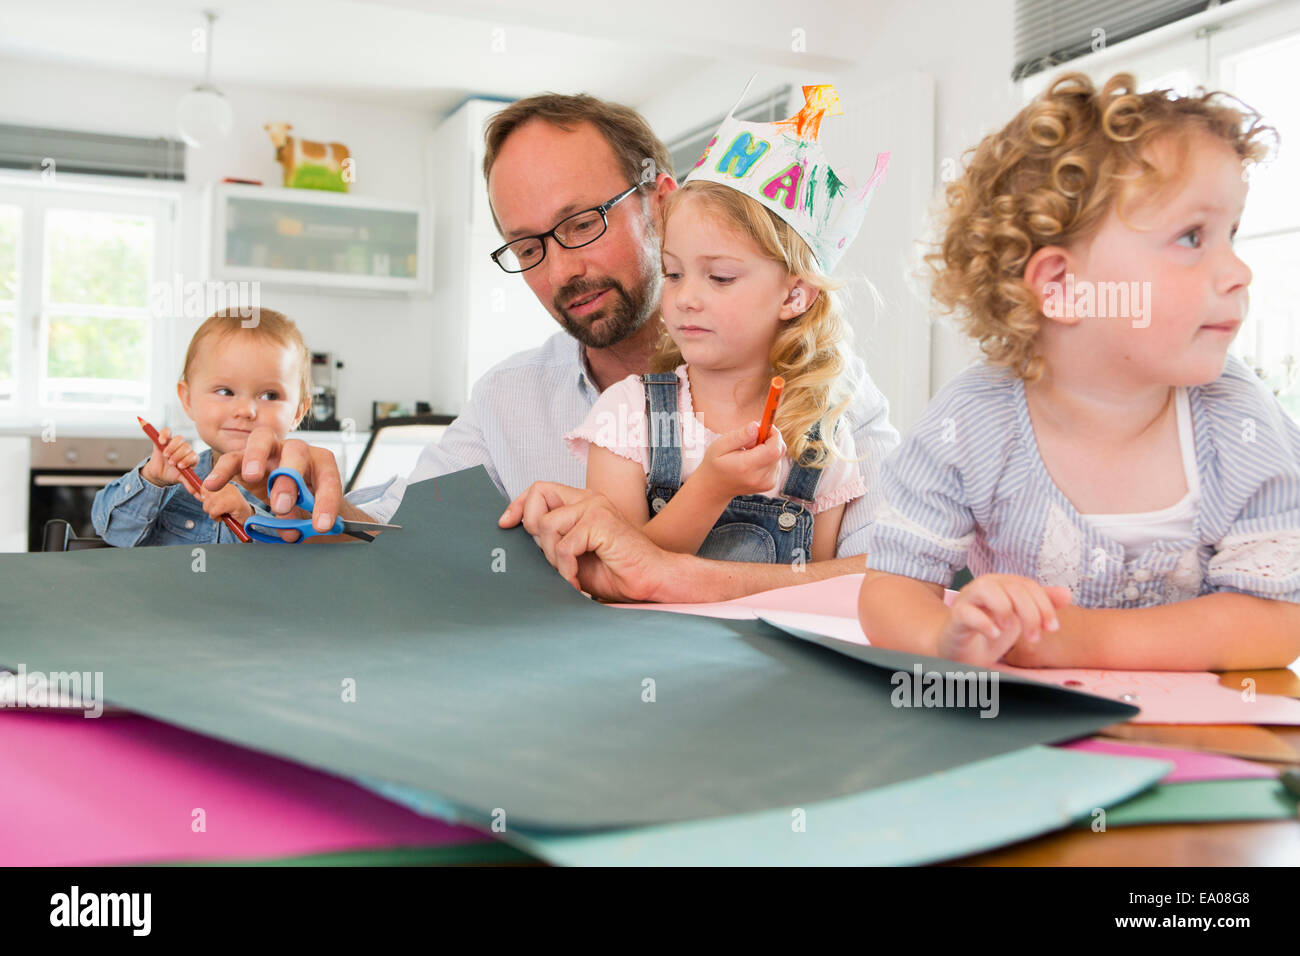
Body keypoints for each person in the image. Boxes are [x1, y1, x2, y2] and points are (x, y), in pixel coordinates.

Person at [203, 92, 900, 600]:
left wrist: (682, 576)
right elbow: (398, 530)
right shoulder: (510, 398)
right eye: (529, 246)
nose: (563, 270)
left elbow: (902, 575)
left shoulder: (828, 396)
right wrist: (318, 495)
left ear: (660, 205)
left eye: (581, 223)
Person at [858, 72, 1300, 670]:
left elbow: (1279, 620)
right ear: (1063, 288)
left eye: (1232, 234)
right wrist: (947, 639)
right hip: (1025, 736)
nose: (1238, 271)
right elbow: (891, 592)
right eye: (1193, 236)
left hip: (1203, 740)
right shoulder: (972, 421)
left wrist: (1076, 640)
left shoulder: (1239, 419)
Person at [561, 88, 888, 569]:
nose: (686, 297)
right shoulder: (628, 415)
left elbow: (812, 588)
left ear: (795, 295)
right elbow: (612, 575)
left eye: (720, 277)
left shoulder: (822, 437)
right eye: (673, 274)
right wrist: (710, 488)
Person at [92, 308, 309, 546]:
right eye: (225, 391)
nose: (245, 410)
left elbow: (314, 567)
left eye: (269, 395)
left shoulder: (308, 494)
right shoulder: (172, 482)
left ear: (298, 411)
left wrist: (251, 519)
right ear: (188, 400)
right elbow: (111, 531)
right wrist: (152, 480)